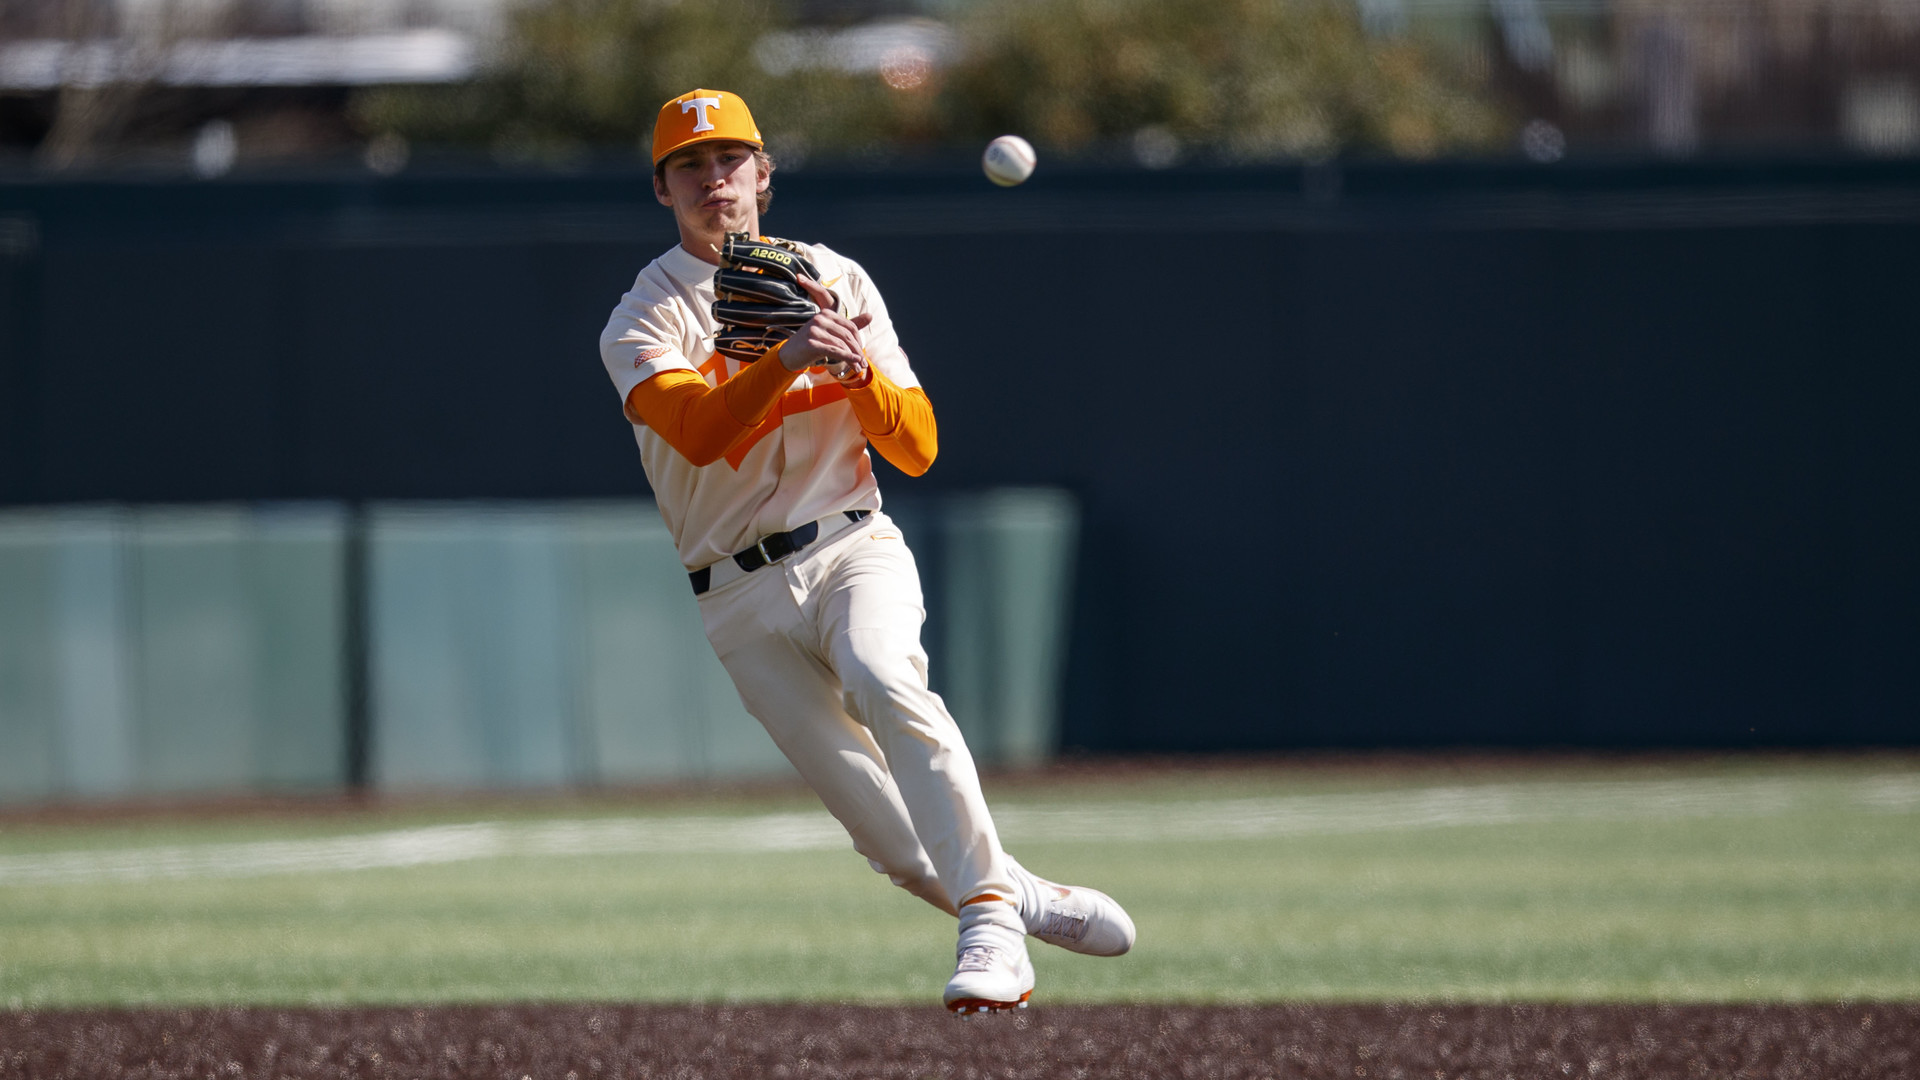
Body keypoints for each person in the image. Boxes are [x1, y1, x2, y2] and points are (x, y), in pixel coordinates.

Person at [596, 88, 1135, 1014]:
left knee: (885, 674)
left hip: (851, 543)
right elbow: (697, 435)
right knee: (897, 848)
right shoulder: (640, 317)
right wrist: (787, 357)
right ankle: (1021, 897)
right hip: (735, 597)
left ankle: (990, 922)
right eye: (689, 166)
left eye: (730, 160)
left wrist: (854, 373)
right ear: (662, 189)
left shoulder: (836, 279)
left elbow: (918, 447)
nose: (713, 179)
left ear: (763, 174)